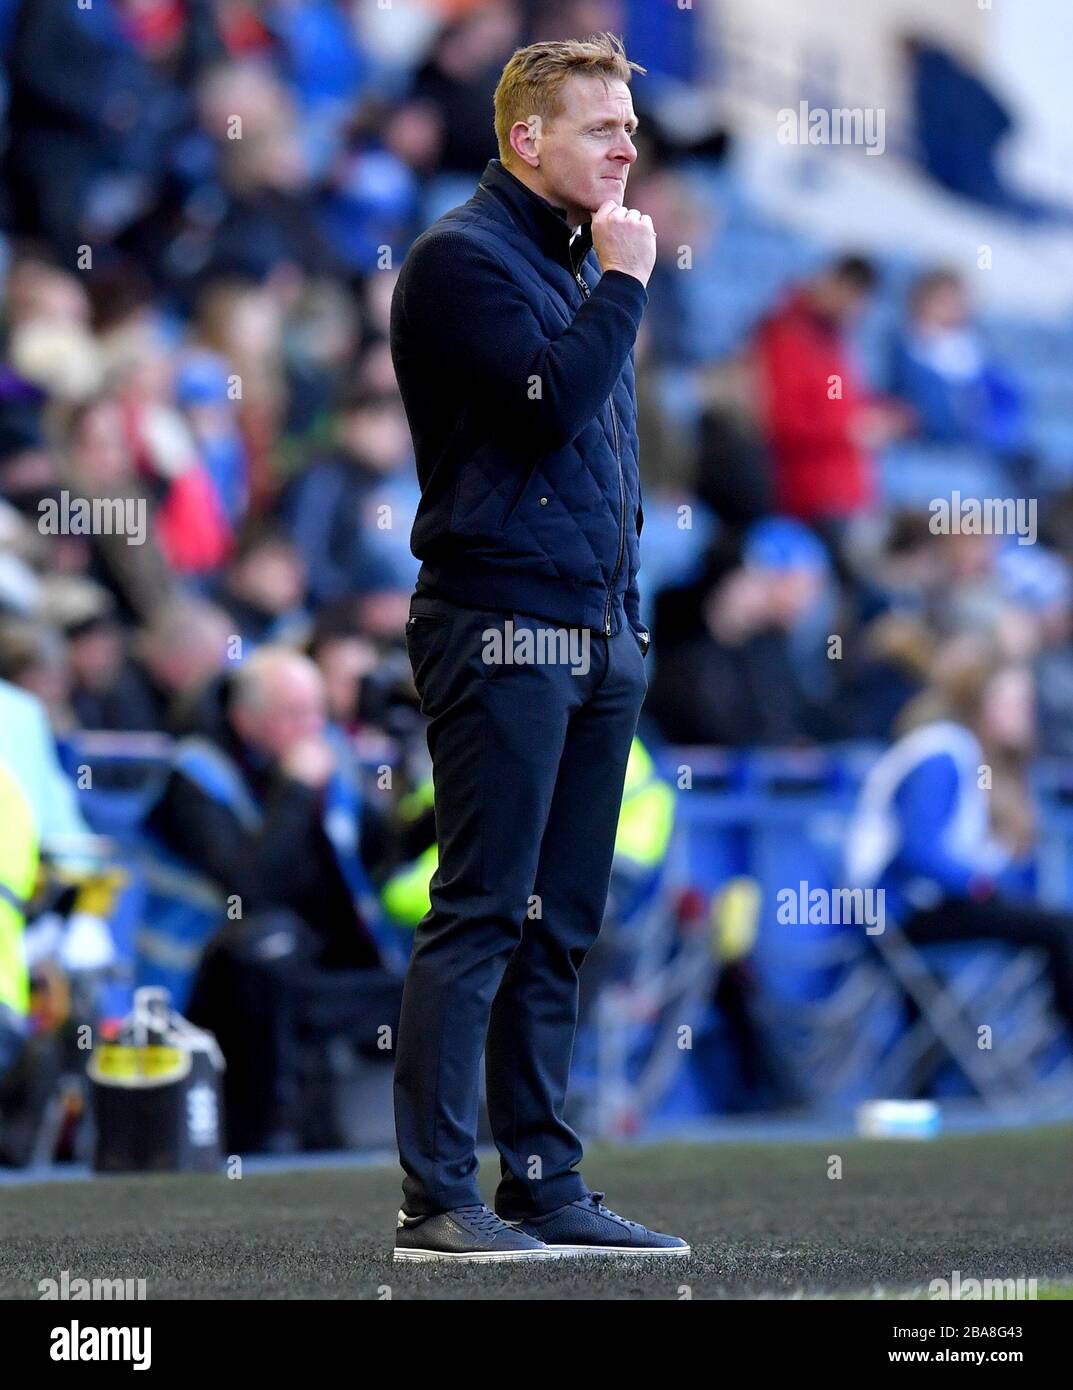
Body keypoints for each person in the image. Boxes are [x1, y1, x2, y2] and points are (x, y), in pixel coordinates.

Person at [388, 33, 687, 1261]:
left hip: (597, 628)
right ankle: (436, 1199)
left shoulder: (575, 259)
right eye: (599, 126)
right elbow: (541, 408)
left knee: (560, 919)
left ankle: (543, 1180)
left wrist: (624, 628)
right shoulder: (463, 261)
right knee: (479, 910)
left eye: (629, 124)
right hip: (502, 624)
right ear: (524, 139)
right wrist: (622, 284)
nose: (627, 145)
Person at [146, 646, 402, 1151]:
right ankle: (266, 1136)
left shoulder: (330, 756)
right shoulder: (195, 775)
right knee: (271, 945)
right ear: (245, 719)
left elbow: (374, 857)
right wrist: (298, 791)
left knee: (432, 973)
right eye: (294, 714)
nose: (312, 728)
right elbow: (250, 892)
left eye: (318, 712)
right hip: (205, 972)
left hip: (321, 958)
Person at [846, 640, 1073, 1043]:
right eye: (1014, 701)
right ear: (981, 703)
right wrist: (983, 884)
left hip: (933, 906)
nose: (1027, 713)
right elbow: (919, 850)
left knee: (1047, 920)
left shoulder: (978, 758)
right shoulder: (942, 750)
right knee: (1057, 928)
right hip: (894, 912)